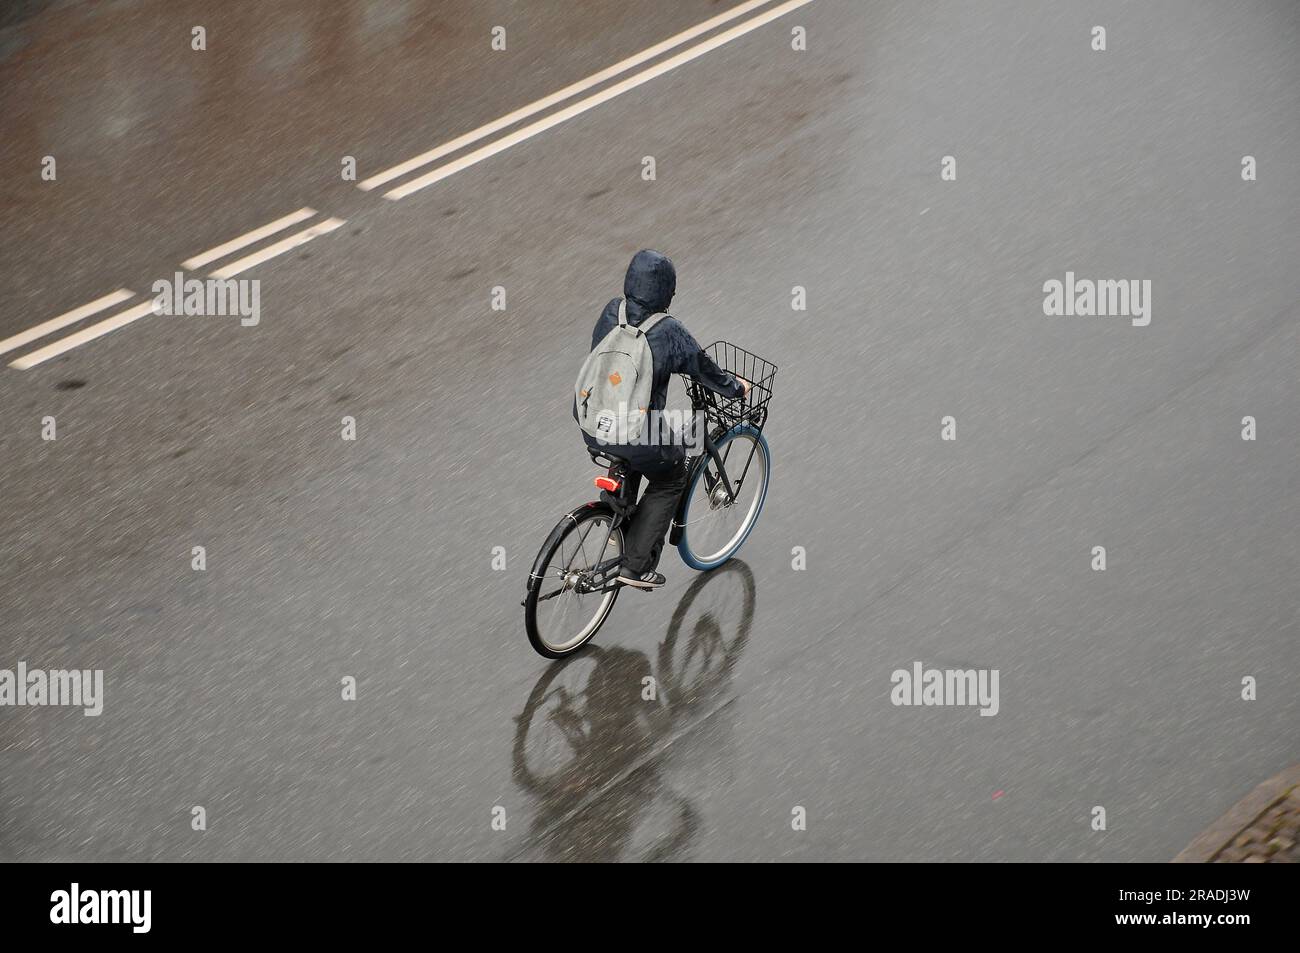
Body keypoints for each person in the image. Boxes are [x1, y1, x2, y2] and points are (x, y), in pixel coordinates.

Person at [580, 250, 749, 590]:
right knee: (672, 473)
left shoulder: (613, 310)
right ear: (667, 291)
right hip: (636, 431)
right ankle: (636, 566)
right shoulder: (667, 330)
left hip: (591, 421)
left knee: (638, 445)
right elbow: (703, 369)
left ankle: (620, 514)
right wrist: (735, 388)